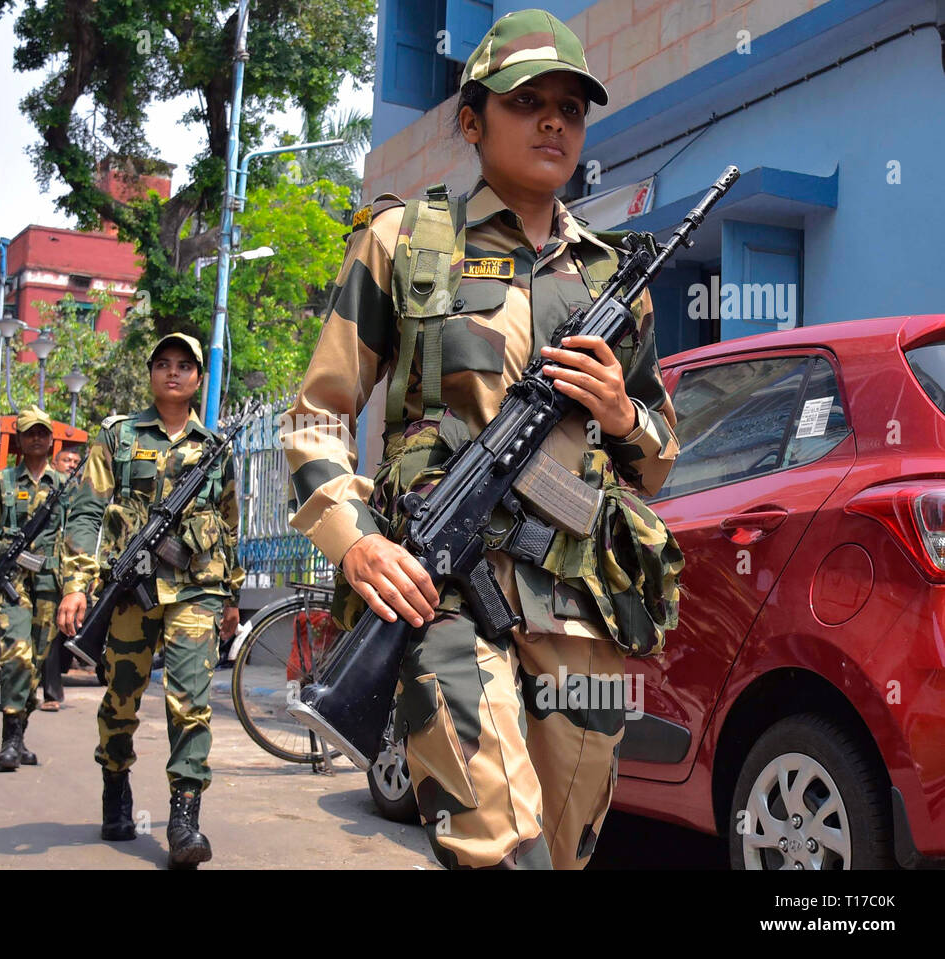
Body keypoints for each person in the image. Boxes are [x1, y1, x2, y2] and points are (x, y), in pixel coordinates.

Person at [281, 9, 681, 870]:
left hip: (580, 612)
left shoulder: (614, 281)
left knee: (564, 853)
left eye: (571, 108)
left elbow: (656, 463)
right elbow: (316, 414)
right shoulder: (406, 243)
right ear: (472, 121)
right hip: (440, 595)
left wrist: (620, 413)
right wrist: (354, 543)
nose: (553, 122)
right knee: (500, 846)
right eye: (527, 100)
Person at [57, 333, 243, 869]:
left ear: (198, 379)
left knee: (190, 702)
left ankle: (184, 820)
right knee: (121, 699)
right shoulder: (116, 436)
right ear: (151, 374)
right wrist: (77, 582)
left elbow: (230, 524)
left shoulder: (214, 449)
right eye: (163, 364)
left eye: (185, 366)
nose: (173, 373)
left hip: (197, 588)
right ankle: (115, 785)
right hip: (130, 591)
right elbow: (87, 512)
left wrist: (231, 594)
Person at [0, 405, 77, 771]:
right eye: (30, 433)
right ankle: (8, 739)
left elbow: (77, 538)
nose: (37, 438)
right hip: (12, 581)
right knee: (16, 653)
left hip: (49, 582)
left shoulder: (64, 487)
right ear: (20, 441)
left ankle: (20, 734)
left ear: (50, 440)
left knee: (37, 662)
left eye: (43, 433)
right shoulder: (3, 483)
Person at [39, 441, 86, 709]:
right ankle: (49, 694)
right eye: (66, 460)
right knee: (47, 634)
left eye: (74, 461)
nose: (71, 465)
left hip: (75, 572)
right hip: (46, 570)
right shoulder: (46, 490)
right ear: (54, 464)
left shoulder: (84, 493)